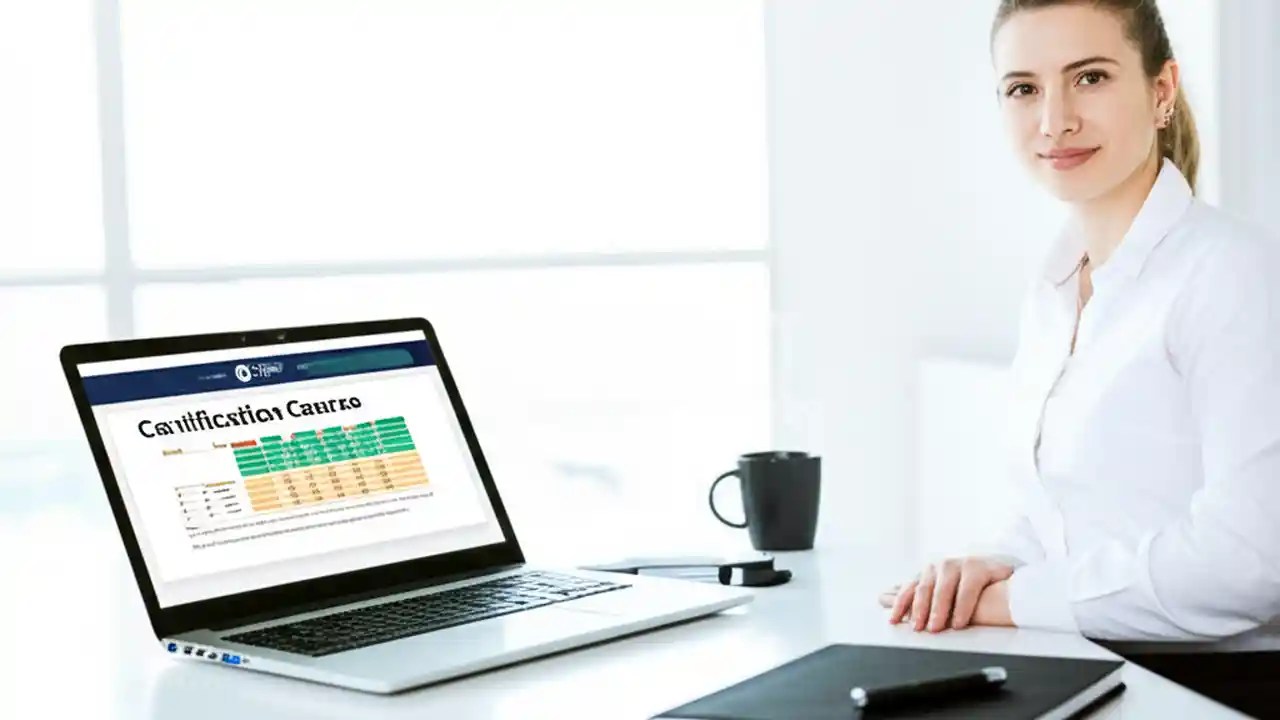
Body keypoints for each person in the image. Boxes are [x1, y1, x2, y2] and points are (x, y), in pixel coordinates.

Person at [876, 1, 1280, 716]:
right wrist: (992, 564)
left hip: (1218, 693)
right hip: (1084, 664)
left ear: (1162, 92)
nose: (1053, 120)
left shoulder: (1233, 275)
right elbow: (1065, 511)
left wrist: (1013, 600)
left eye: (1088, 78)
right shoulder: (1057, 287)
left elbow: (1249, 562)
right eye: (1023, 88)